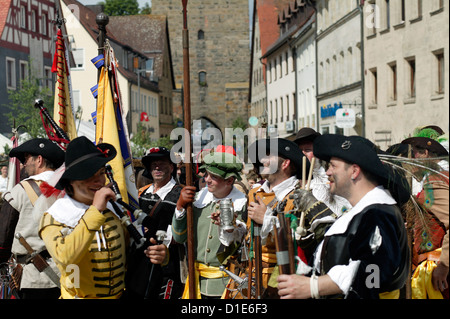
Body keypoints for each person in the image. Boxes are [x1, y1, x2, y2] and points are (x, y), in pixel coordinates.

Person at [277, 134, 410, 299]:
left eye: (333, 166)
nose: (327, 172)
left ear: (354, 171)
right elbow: (347, 255)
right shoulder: (366, 212)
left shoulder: (378, 213)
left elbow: (374, 275)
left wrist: (314, 286)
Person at [38, 136, 166, 299]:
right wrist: (95, 210)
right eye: (88, 175)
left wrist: (158, 254)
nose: (98, 181)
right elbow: (66, 257)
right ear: (70, 182)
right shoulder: (55, 217)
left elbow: (130, 254)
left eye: (100, 173)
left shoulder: (114, 210)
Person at [172, 147, 248, 299]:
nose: (206, 179)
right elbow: (179, 237)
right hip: (195, 282)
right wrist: (180, 206)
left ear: (230, 180)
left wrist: (229, 227)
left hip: (226, 285)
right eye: (206, 174)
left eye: (214, 176)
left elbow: (242, 246)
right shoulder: (197, 199)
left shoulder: (242, 204)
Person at [0, 138, 65, 299]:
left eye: (27, 158)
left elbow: (3, 240)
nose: (23, 164)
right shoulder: (71, 189)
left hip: (32, 279)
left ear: (39, 160)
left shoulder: (20, 191)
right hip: (68, 276)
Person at [125, 146, 185, 299]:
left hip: (167, 266)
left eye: (162, 163)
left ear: (171, 167)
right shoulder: (141, 193)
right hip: (138, 263)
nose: (157, 167)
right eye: (153, 164)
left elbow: (185, 232)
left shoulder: (181, 194)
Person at [402, 133, 449, 299]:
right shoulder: (435, 178)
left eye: (415, 153)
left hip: (436, 270)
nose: (412, 158)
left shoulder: (435, 181)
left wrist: (444, 265)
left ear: (426, 154)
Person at [294, 127, 351, 215]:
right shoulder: (294, 178)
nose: (303, 154)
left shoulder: (329, 177)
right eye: (300, 151)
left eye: (307, 150)